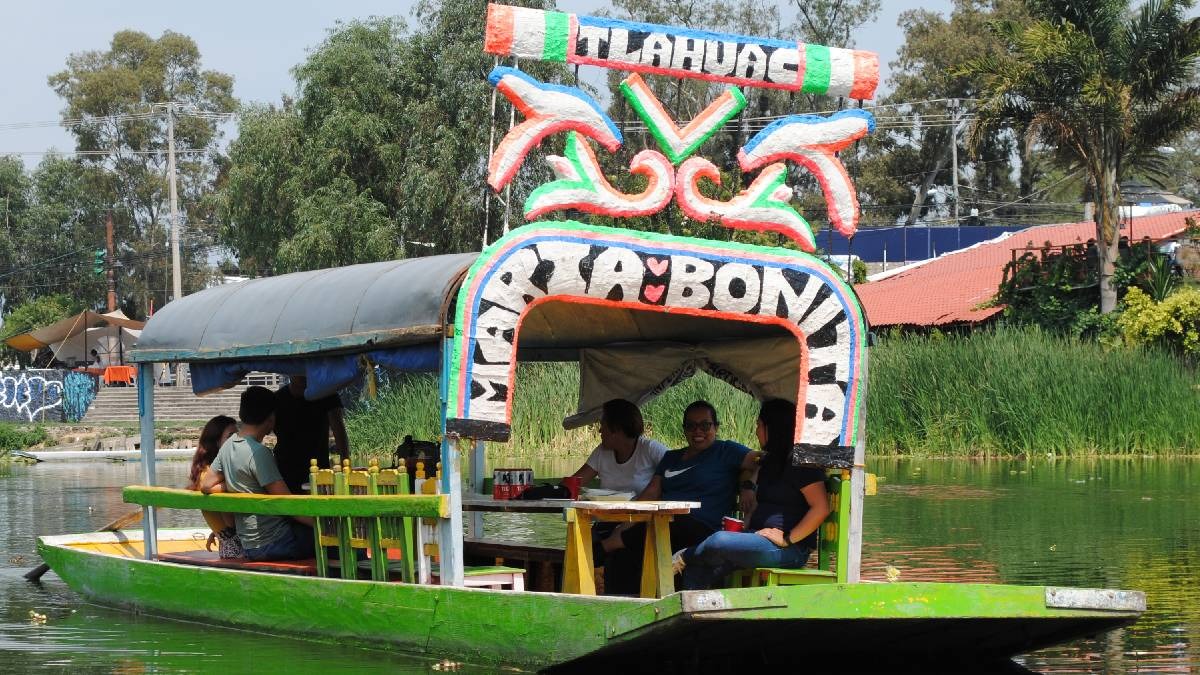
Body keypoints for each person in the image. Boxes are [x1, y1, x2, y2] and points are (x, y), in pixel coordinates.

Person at [600, 400, 759, 595]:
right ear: (684, 429)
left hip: (704, 528)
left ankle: (606, 546)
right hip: (665, 522)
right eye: (691, 426)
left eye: (705, 425)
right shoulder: (671, 457)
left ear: (716, 427)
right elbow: (651, 493)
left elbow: (764, 459)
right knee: (623, 552)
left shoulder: (726, 450)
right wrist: (626, 523)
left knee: (671, 523)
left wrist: (748, 485)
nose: (698, 431)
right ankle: (623, 602)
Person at [675, 399, 830, 590]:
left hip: (790, 549)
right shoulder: (772, 460)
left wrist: (787, 539)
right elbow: (758, 495)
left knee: (719, 540)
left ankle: (684, 556)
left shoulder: (802, 463)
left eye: (758, 425)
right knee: (701, 567)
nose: (756, 431)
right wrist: (745, 520)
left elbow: (821, 508)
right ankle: (690, 606)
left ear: (772, 428)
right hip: (757, 538)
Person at [201, 386, 315, 561]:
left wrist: (234, 484)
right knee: (334, 539)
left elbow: (206, 485)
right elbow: (287, 504)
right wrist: (324, 524)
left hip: (249, 545)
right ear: (271, 418)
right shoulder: (259, 453)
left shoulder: (228, 446)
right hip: (274, 542)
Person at [565, 399, 669, 495]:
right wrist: (558, 491)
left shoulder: (650, 449)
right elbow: (572, 484)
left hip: (643, 509)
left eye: (603, 425)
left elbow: (675, 473)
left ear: (616, 429)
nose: (600, 431)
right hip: (607, 510)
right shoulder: (601, 452)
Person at [272, 374, 349, 494]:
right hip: (285, 468)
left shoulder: (326, 394)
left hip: (319, 467)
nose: (302, 375)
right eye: (297, 371)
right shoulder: (277, 398)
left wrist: (345, 464)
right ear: (289, 372)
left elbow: (339, 429)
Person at [186, 415, 239, 557]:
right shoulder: (209, 476)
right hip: (236, 548)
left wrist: (215, 532)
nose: (237, 440)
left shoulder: (206, 471)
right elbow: (230, 520)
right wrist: (240, 482)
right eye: (230, 436)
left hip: (229, 546)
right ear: (216, 442)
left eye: (238, 435)